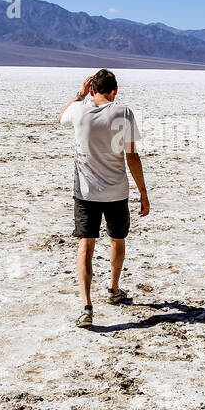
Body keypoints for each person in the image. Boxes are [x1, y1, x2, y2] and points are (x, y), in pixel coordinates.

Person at [58, 69, 149, 327]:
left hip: (85, 192)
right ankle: (113, 289)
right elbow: (132, 156)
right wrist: (143, 192)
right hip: (117, 192)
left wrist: (79, 95)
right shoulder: (123, 113)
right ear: (115, 91)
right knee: (117, 240)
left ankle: (86, 307)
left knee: (86, 245)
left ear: (92, 89)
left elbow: (60, 117)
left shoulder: (78, 111)